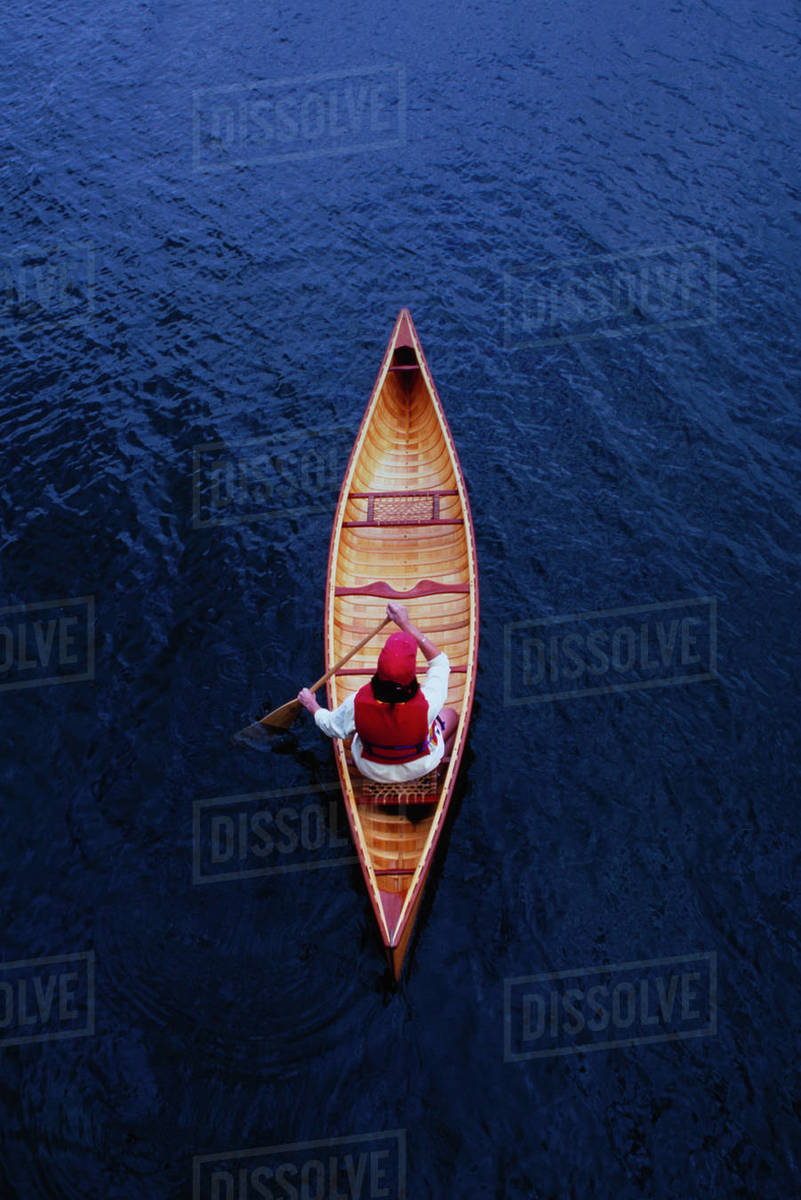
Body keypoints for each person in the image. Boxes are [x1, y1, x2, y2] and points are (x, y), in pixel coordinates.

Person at [297, 602, 458, 783]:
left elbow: (333, 727)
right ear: (412, 671)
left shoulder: (356, 702)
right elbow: (440, 663)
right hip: (420, 766)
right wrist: (405, 624)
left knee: (353, 728)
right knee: (452, 716)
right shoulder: (428, 702)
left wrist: (312, 705)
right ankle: (435, 771)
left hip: (372, 770)